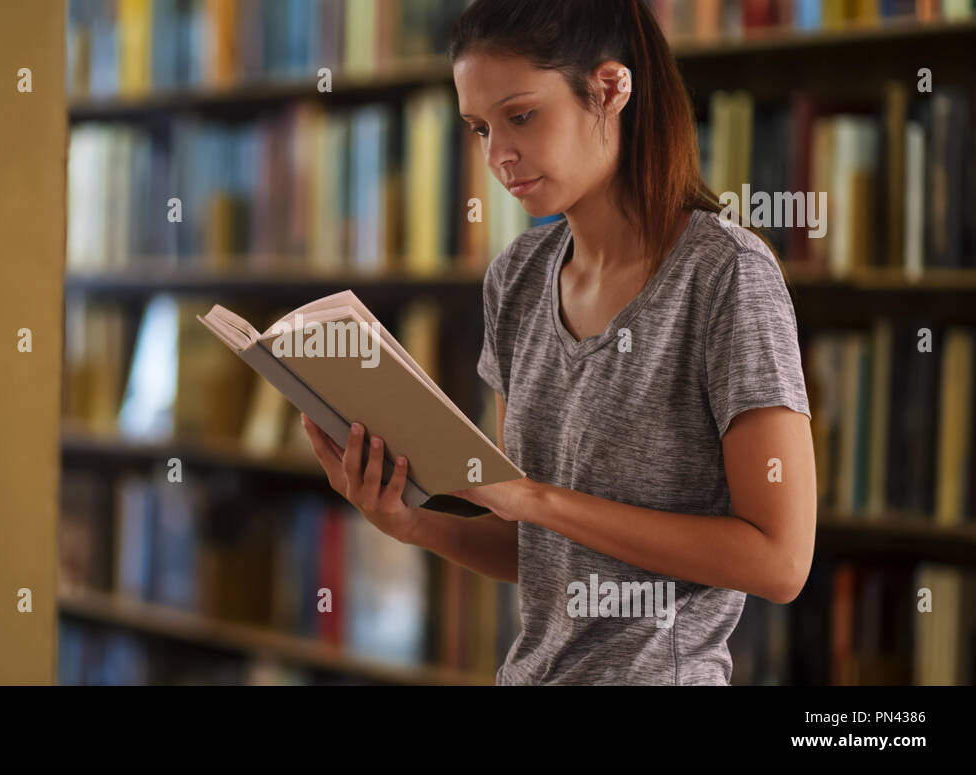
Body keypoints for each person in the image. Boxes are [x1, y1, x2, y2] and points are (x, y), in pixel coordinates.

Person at [301, 0, 815, 685]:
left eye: (520, 115)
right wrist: (411, 521)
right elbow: (533, 542)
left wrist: (538, 498)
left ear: (609, 88)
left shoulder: (726, 275)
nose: (496, 154)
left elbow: (779, 561)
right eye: (479, 128)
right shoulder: (515, 280)